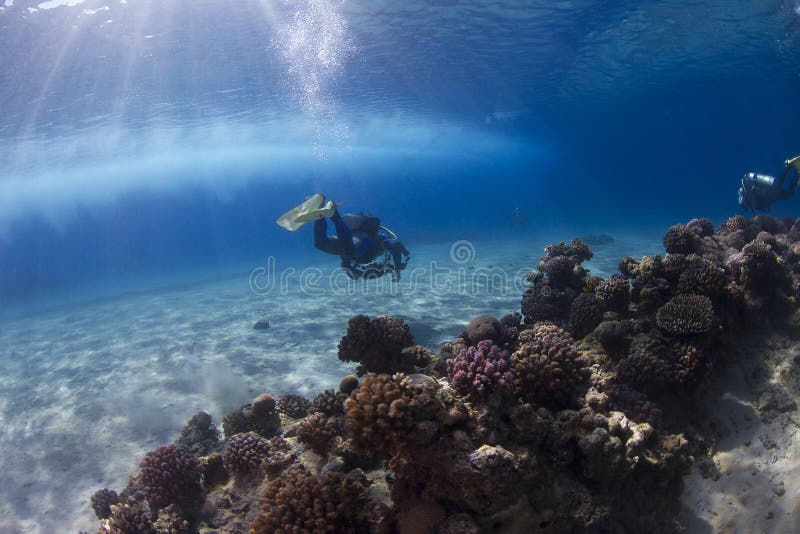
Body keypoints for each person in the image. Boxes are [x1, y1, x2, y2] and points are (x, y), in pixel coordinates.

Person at [276, 194, 410, 281]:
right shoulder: (380, 241)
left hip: (349, 242)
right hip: (360, 239)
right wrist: (397, 270)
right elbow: (396, 246)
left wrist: (356, 273)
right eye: (375, 264)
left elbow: (347, 267)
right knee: (350, 250)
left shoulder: (357, 262)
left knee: (320, 244)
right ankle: (334, 214)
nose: (373, 264)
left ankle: (321, 213)